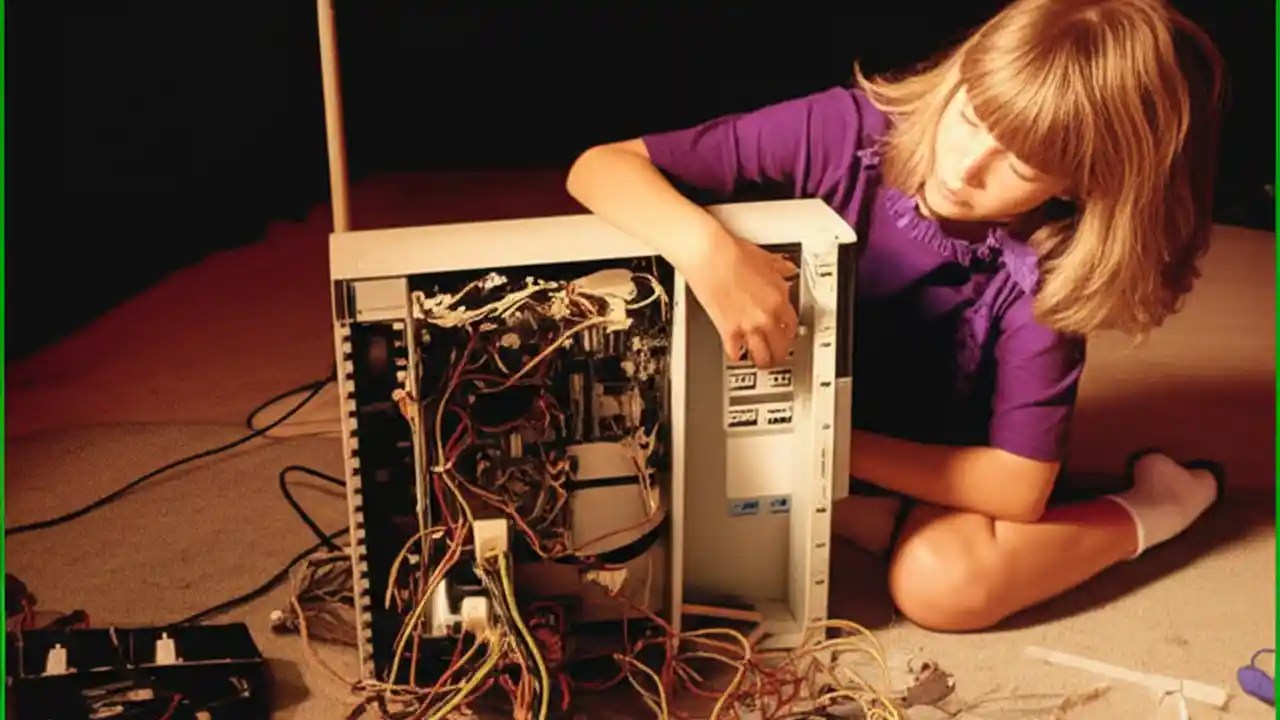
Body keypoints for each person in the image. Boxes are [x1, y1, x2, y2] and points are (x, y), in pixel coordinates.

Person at [565, 0, 1227, 632]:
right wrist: (709, 251)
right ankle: (860, 512)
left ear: (1080, 185)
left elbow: (1018, 486)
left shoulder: (1046, 266)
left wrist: (818, 437)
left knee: (940, 588)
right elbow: (599, 166)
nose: (965, 168)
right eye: (969, 118)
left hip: (925, 461)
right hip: (788, 427)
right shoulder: (848, 130)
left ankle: (1160, 505)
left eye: (1018, 164)